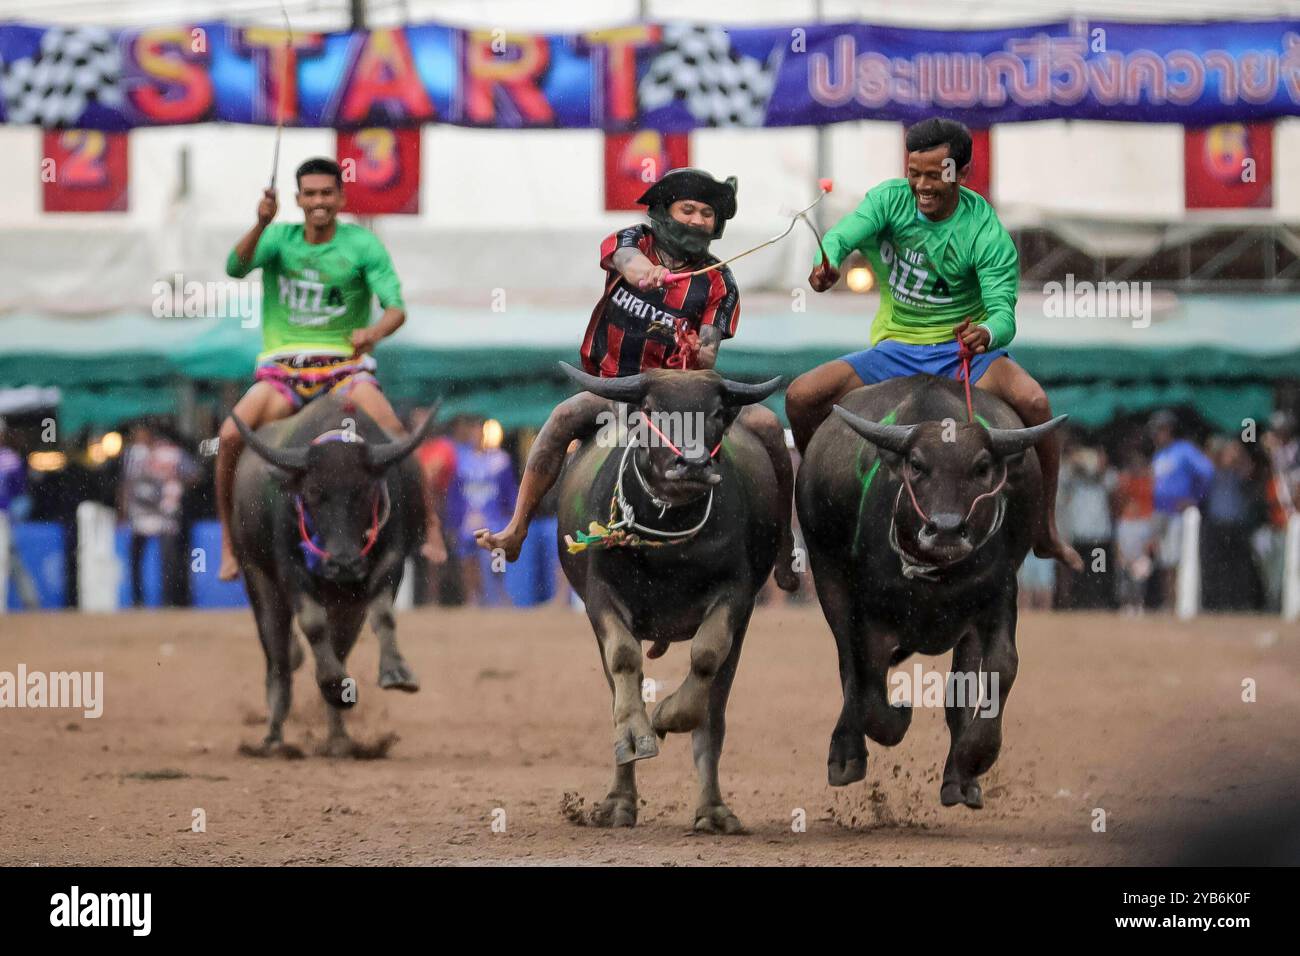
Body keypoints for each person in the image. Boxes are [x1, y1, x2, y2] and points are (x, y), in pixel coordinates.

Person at [473, 168, 799, 591]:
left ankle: (783, 543)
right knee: (562, 418)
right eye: (688, 210)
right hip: (618, 388)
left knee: (769, 426)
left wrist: (698, 350)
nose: (698, 220)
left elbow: (709, 351)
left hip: (683, 400)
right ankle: (516, 529)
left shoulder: (721, 281)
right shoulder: (633, 240)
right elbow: (628, 263)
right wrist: (647, 272)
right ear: (663, 211)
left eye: (707, 214)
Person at [785, 116, 1081, 572]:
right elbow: (843, 233)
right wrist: (830, 260)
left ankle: (1045, 529)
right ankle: (821, 499)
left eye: (934, 175)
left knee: (1036, 402)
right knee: (800, 396)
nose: (922, 186)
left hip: (963, 354)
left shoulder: (985, 231)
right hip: (894, 350)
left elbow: (1003, 314)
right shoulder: (888, 200)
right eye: (914, 173)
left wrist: (988, 333)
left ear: (962, 173)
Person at [216, 156, 444, 581]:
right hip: (284, 374)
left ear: (340, 198)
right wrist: (261, 223)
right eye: (310, 194)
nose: (318, 201)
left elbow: (396, 309)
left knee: (397, 433)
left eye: (326, 193)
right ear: (298, 199)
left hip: (345, 372)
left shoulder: (362, 245)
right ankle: (229, 542)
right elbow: (235, 268)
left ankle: (430, 526)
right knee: (229, 436)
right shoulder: (277, 238)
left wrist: (373, 332)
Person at [447, 416, 517, 606]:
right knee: (468, 558)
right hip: (469, 520)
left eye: (480, 430)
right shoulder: (460, 460)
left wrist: (512, 515)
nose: (476, 434)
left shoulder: (499, 460)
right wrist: (454, 521)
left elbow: (509, 490)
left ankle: (500, 593)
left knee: (497, 555)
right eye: (473, 430)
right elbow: (455, 493)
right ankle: (472, 596)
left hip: (494, 518)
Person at [1149, 410, 1214, 608]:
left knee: (1176, 559)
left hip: (1178, 514)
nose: (1156, 434)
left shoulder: (1184, 450)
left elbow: (1207, 472)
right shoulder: (1159, 454)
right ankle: (1168, 602)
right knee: (1163, 560)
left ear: (1169, 429)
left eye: (1160, 429)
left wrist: (1195, 498)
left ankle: (1179, 603)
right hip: (1160, 512)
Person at [0, 417, 39, 609]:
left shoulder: (9, 458)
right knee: (11, 559)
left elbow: (20, 492)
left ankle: (29, 600)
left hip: (2, 517)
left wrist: (15, 513)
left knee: (8, 558)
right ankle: (30, 599)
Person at [1112, 447, 1156, 615]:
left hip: (1143, 530)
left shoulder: (1149, 481)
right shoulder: (1125, 481)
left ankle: (1139, 603)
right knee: (1123, 574)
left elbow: (1148, 542)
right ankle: (1125, 603)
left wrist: (1143, 554)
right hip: (1127, 540)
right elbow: (1118, 542)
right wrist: (1122, 557)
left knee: (1140, 573)